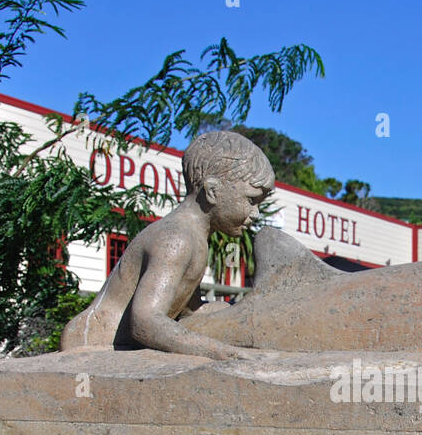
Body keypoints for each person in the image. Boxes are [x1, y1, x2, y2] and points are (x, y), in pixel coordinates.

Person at [59, 131, 274, 359]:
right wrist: (220, 352)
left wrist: (242, 313)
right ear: (212, 191)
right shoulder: (177, 239)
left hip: (115, 346)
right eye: (251, 200)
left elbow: (188, 312)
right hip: (92, 345)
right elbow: (146, 322)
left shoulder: (195, 239)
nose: (255, 213)